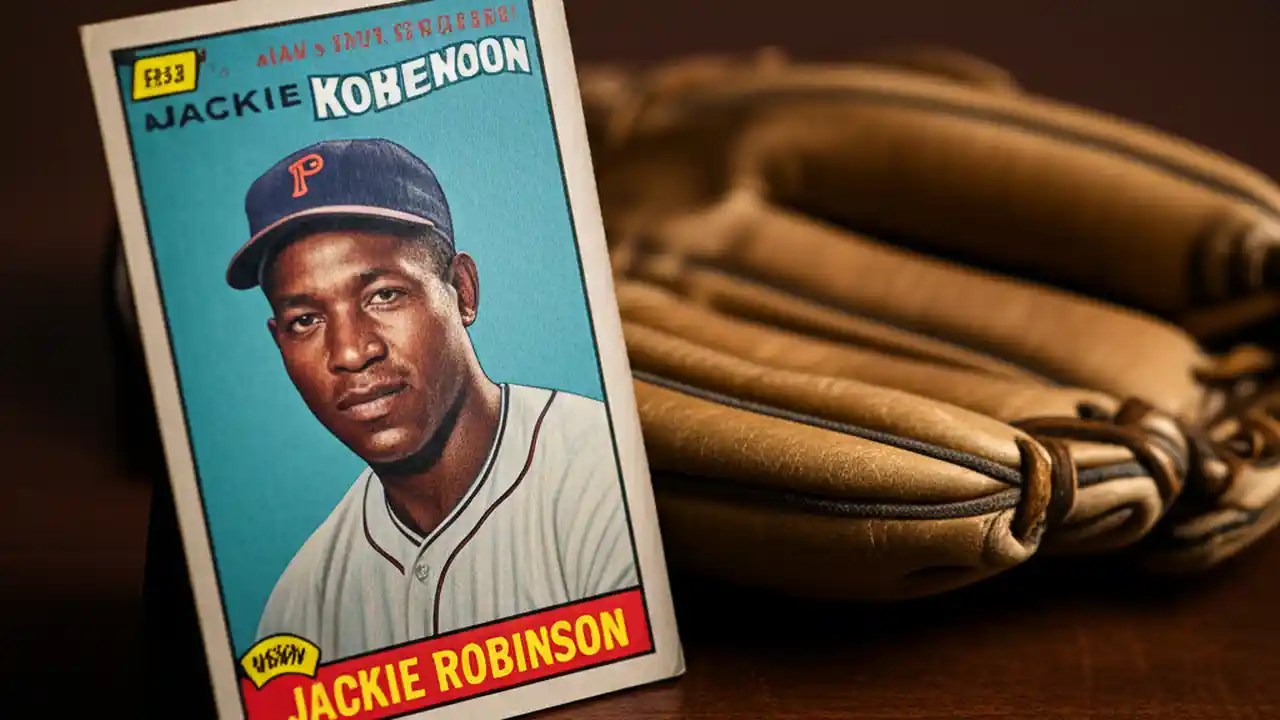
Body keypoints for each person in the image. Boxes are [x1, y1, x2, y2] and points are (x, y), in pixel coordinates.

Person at [225, 137, 639, 661]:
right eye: (305, 320)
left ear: (462, 290)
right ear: (279, 340)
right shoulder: (302, 603)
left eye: (383, 295)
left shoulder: (605, 475)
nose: (351, 352)